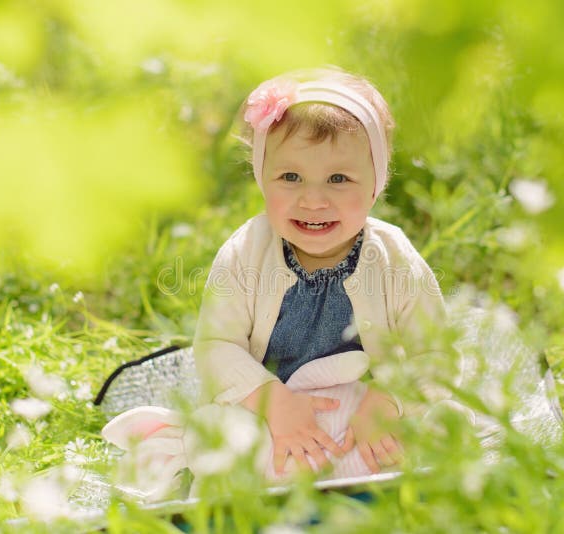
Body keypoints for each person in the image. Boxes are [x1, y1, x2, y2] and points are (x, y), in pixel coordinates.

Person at [192, 66, 451, 478]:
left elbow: (435, 350)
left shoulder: (393, 257)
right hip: (271, 399)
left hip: (367, 402)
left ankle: (371, 501)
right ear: (263, 179)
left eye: (338, 178)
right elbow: (215, 346)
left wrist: (389, 401)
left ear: (374, 186)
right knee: (223, 448)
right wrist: (272, 403)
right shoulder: (245, 253)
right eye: (290, 176)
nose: (313, 200)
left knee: (436, 438)